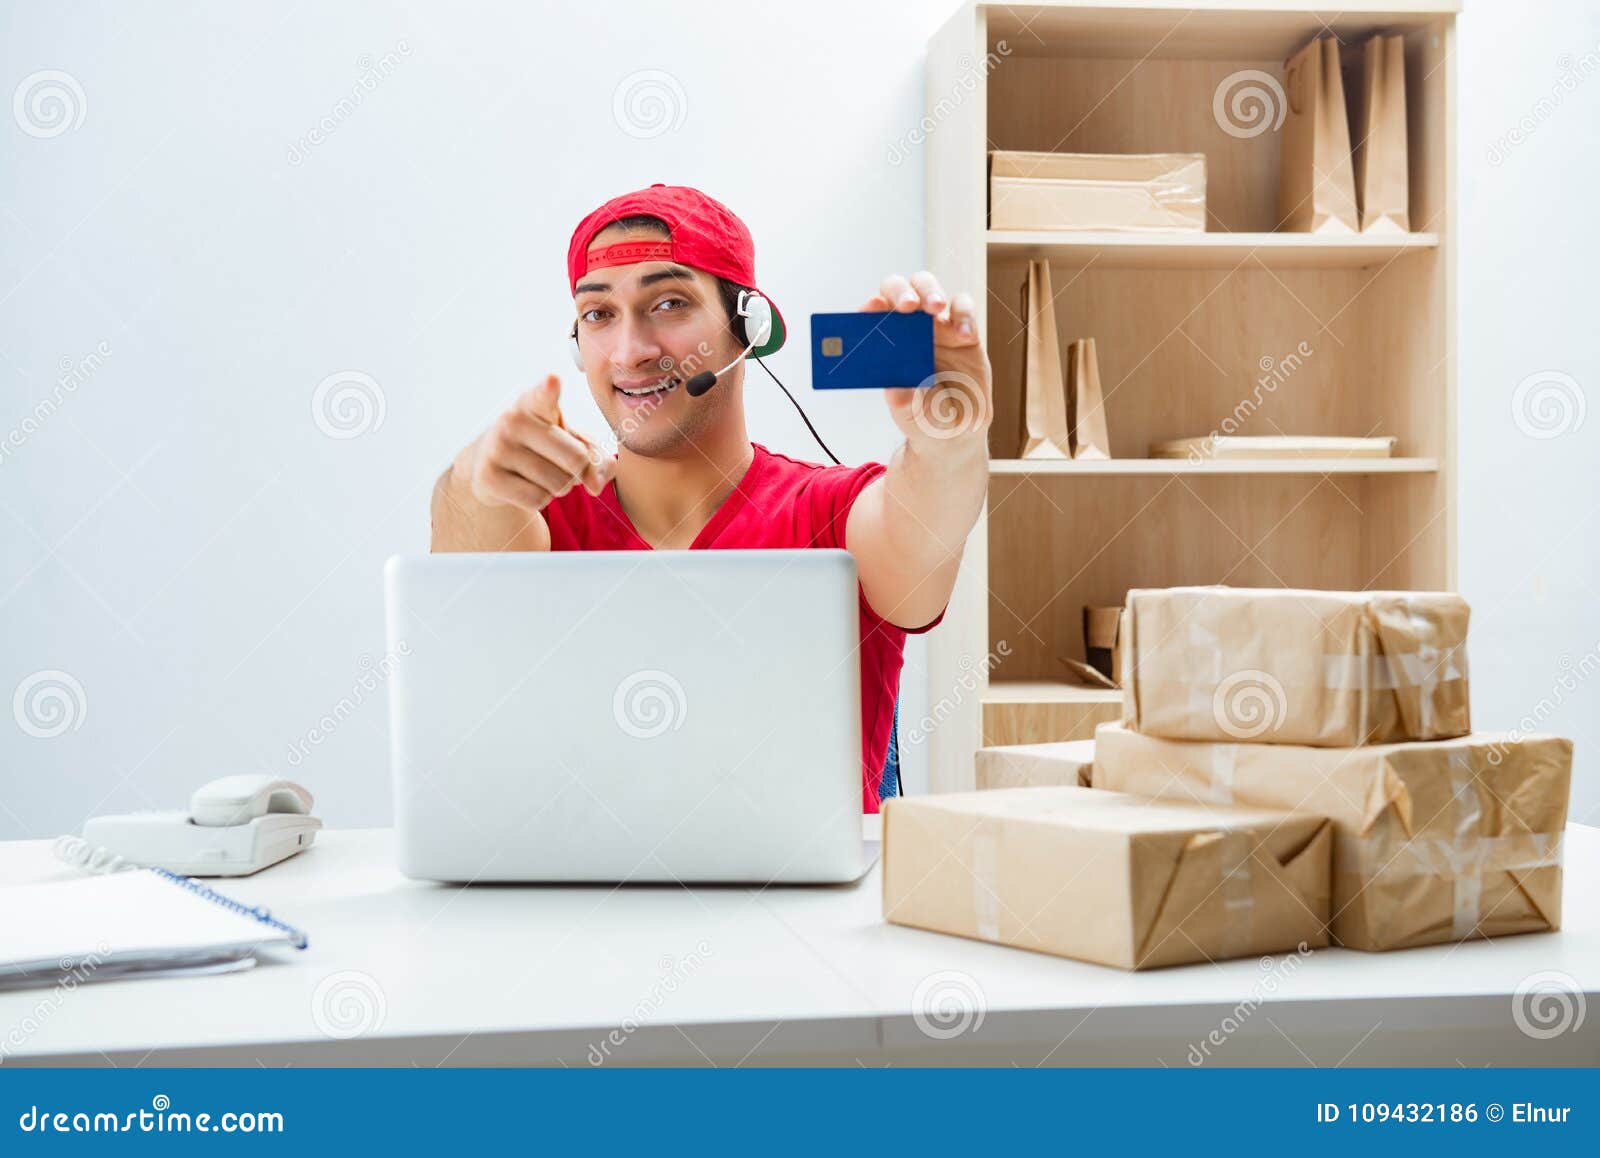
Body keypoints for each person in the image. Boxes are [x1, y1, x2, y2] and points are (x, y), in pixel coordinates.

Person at [430, 184, 991, 811]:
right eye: (599, 314)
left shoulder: (831, 512)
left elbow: (923, 524)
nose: (629, 351)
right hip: (576, 898)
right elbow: (468, 557)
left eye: (668, 303)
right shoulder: (540, 518)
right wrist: (475, 472)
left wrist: (948, 444)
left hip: (802, 906)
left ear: (746, 328)